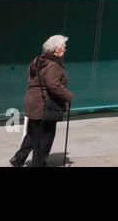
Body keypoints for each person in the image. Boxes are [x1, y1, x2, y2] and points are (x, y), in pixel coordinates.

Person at [10, 35, 73, 168]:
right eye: (63, 47)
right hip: (45, 105)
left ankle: (18, 158)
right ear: (56, 50)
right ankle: (39, 163)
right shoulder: (54, 65)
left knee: (33, 133)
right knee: (45, 137)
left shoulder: (38, 61)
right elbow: (53, 85)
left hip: (33, 101)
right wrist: (68, 95)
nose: (65, 50)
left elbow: (34, 81)